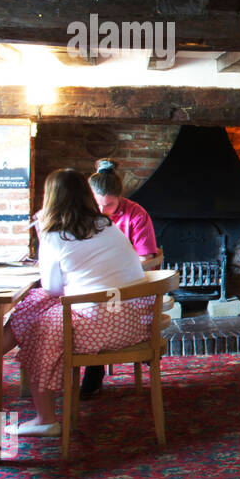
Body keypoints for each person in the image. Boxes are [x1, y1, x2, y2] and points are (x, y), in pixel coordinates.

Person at [0, 169, 151, 435]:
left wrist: (43, 236)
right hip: (133, 318)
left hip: (103, 325)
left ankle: (44, 418)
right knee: (35, 305)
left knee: (39, 325)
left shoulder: (55, 235)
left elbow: (52, 287)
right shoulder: (106, 225)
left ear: (52, 198)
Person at [82, 160, 158, 398]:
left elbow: (147, 257)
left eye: (109, 205)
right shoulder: (82, 215)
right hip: (94, 283)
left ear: (120, 198)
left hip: (127, 285)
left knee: (96, 311)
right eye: (98, 204)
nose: (103, 211)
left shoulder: (136, 214)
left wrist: (118, 268)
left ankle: (93, 372)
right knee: (88, 308)